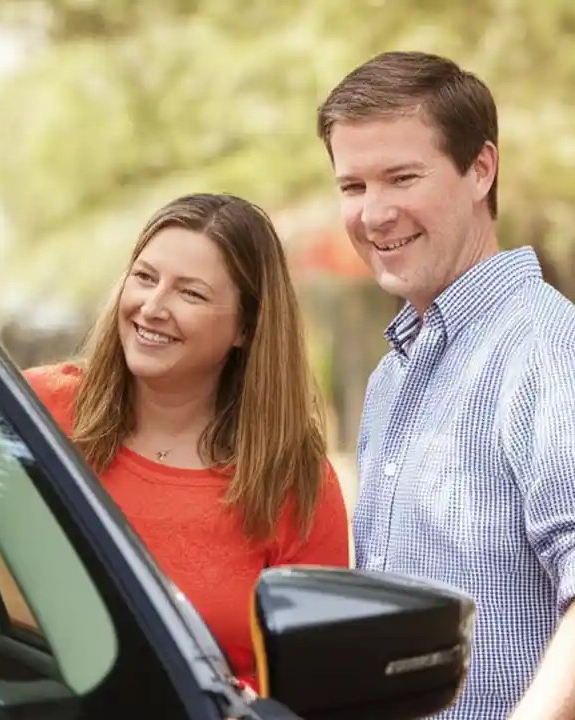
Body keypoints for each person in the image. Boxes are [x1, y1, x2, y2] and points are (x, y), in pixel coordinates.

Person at [316, 51, 575, 719]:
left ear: (481, 169)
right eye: (353, 187)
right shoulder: (393, 376)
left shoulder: (553, 358)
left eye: (402, 177)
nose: (375, 213)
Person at [21, 193, 350, 692]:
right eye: (145, 278)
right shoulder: (38, 410)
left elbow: (315, 687)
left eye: (190, 294)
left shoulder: (296, 484)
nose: (152, 308)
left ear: (246, 327)